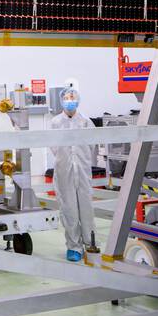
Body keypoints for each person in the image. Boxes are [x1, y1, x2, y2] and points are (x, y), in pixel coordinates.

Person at [48, 87, 98, 262]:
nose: (70, 100)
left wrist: (80, 159)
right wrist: (67, 160)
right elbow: (54, 147)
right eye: (67, 97)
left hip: (83, 171)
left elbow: (92, 145)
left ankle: (90, 244)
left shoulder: (85, 121)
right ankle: (74, 247)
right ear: (62, 101)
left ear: (78, 99)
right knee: (69, 210)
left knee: (86, 209)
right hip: (64, 171)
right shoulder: (55, 122)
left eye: (72, 97)